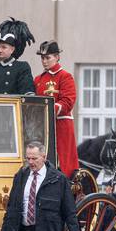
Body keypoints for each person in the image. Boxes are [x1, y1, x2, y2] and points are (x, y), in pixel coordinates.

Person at [33, 40, 79, 175]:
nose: (44, 61)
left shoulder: (65, 76)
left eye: (48, 57)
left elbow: (68, 101)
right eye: (42, 58)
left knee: (62, 164)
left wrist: (48, 110)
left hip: (60, 126)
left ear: (57, 57)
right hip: (41, 127)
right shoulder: (38, 79)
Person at [0, 18, 36, 95]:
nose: (0, 50)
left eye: (4, 47)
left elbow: (27, 95)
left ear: (12, 49)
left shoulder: (21, 67)